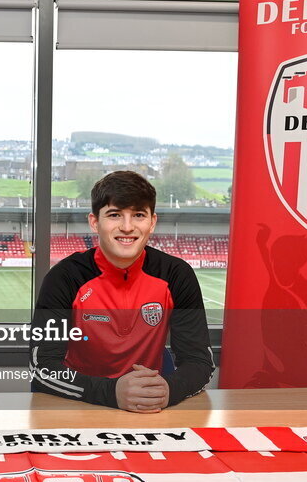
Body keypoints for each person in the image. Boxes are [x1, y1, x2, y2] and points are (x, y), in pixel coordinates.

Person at [30, 171, 214, 412]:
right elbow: (42, 367)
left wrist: (169, 389)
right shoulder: (65, 278)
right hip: (77, 405)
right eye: (115, 215)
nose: (127, 227)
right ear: (95, 222)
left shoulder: (176, 275)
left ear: (152, 221)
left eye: (138, 215)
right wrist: (112, 392)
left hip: (148, 410)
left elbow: (199, 361)